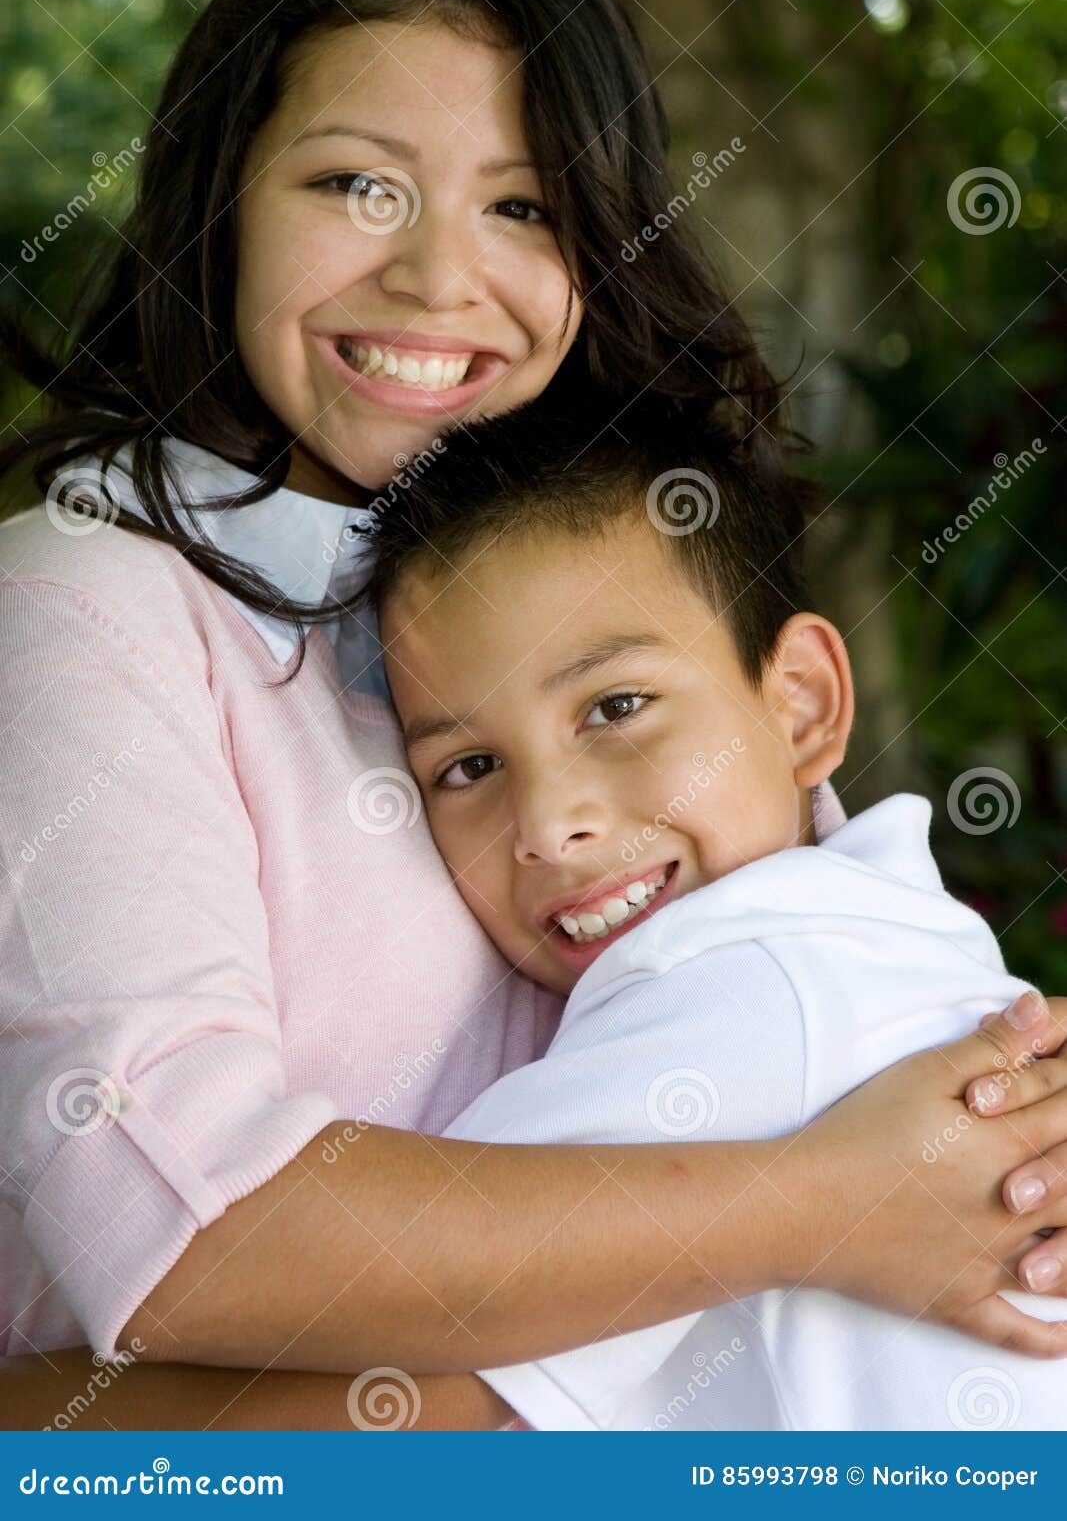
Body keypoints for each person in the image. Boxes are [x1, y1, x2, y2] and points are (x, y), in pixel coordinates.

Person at [2, 0, 1066, 1433]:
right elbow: (186, 1227)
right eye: (356, 185)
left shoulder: (605, 567)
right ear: (220, 197)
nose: (440, 278)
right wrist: (823, 1199)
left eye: (521, 206)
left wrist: (1007, 1120)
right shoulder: (86, 599)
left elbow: (821, 985)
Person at [366, 388, 1067, 1429]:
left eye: (614, 707)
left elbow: (351, 1336)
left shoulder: (731, 981)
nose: (550, 824)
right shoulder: (882, 942)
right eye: (468, 765)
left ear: (800, 705)